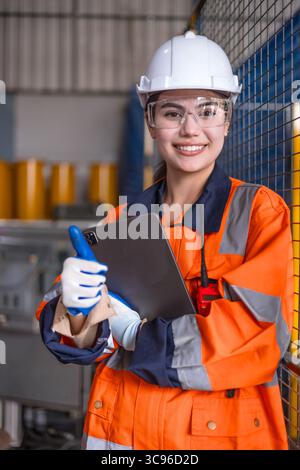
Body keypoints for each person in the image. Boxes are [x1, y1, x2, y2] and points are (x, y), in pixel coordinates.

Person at [36, 31, 294, 450]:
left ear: (227, 121)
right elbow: (75, 339)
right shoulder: (123, 219)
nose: (190, 129)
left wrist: (135, 337)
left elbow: (254, 335)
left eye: (207, 111)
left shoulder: (258, 215)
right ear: (152, 123)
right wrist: (75, 308)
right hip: (119, 439)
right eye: (172, 113)